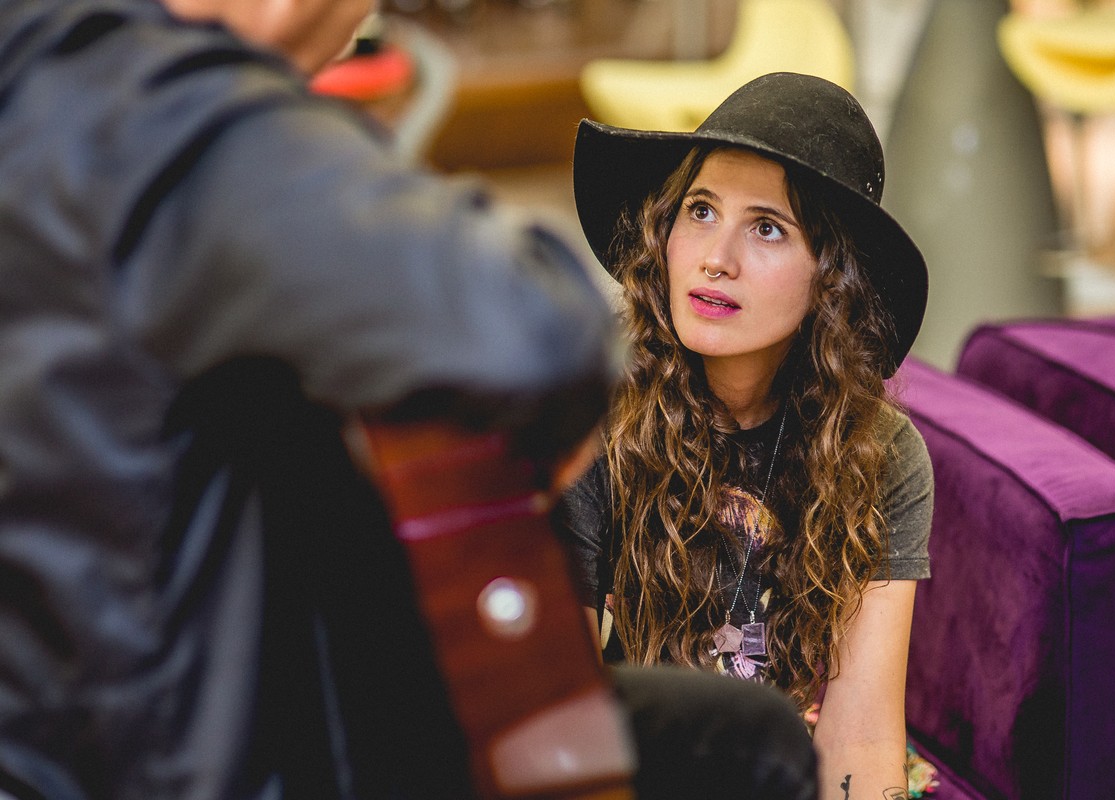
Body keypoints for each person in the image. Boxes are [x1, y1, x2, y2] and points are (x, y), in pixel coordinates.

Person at [0, 1, 819, 798]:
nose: (359, 33)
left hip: (54, 716)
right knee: (748, 749)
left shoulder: (38, 62)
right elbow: (533, 335)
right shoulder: (170, 108)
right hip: (193, 748)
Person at [556, 72, 935, 800]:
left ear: (833, 278)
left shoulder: (884, 454)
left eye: (767, 227)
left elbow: (859, 738)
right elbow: (558, 710)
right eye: (700, 210)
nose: (716, 257)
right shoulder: (594, 417)